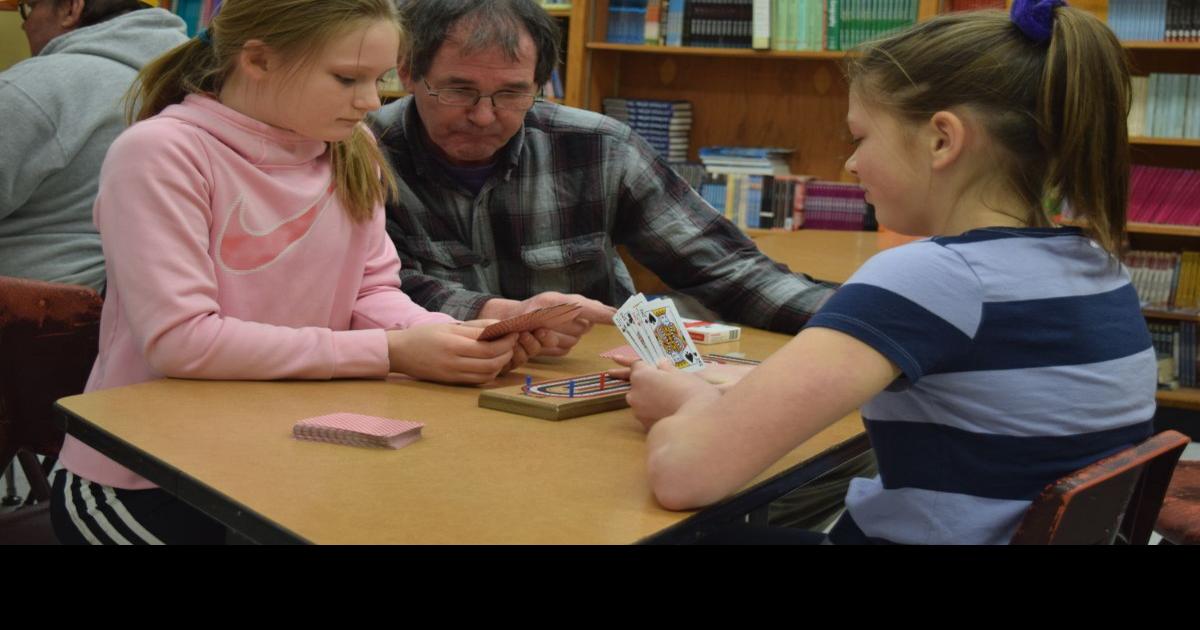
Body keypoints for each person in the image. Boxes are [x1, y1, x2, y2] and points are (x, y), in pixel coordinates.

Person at [614, 0, 1157, 544]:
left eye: (860, 138)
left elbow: (684, 475)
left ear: (943, 139)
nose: (850, 164)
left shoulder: (931, 277)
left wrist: (688, 402)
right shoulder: (1098, 266)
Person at [49, 0, 542, 545]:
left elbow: (372, 289)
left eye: (377, 79)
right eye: (346, 78)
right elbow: (181, 341)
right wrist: (391, 351)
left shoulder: (352, 148)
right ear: (258, 60)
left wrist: (436, 335)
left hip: (289, 461)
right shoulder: (161, 153)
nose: (369, 101)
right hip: (144, 478)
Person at [370, 0, 838, 360]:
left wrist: (862, 321)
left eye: (513, 93)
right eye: (458, 90)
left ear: (540, 82)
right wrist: (498, 314)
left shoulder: (599, 146)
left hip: (596, 380)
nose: (484, 115)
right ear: (409, 72)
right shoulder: (359, 154)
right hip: (431, 387)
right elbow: (369, 292)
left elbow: (725, 269)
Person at [0, 1, 188, 291]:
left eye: (29, 8)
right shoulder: (187, 94)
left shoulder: (35, 89)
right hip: (130, 318)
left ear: (71, 8)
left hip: (24, 317)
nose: (24, 24)